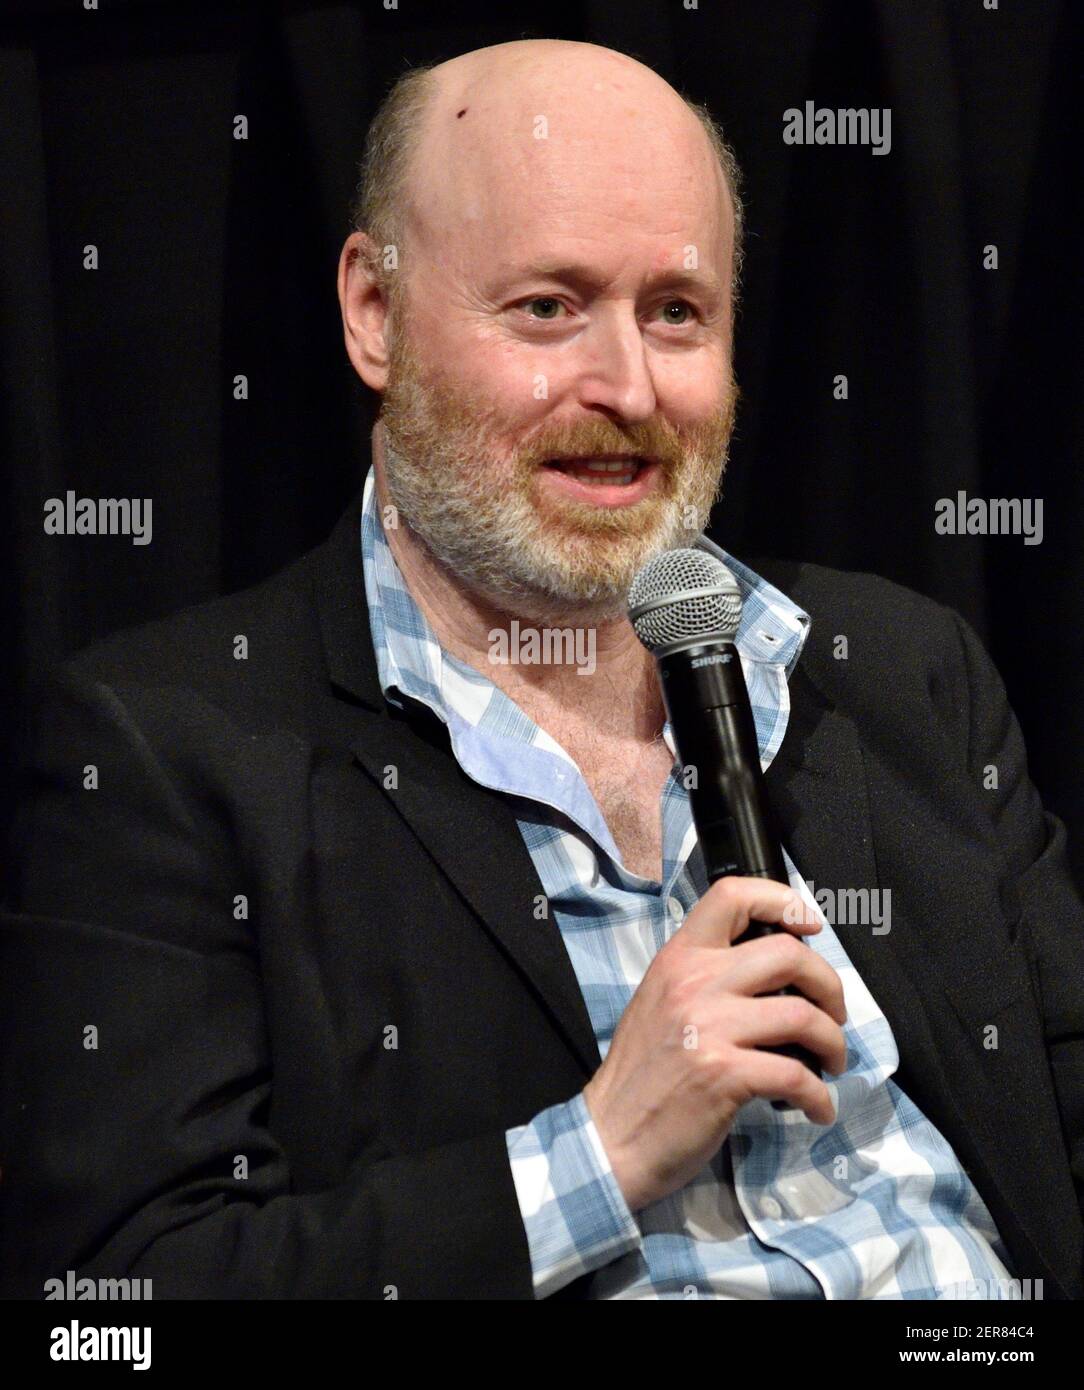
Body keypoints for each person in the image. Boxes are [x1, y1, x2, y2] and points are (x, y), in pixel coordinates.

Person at [2, 38, 1082, 1301]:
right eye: (547, 308)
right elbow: (108, 1309)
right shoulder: (165, 750)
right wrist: (600, 1152)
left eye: (675, 312)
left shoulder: (897, 672)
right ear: (374, 314)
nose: (625, 387)